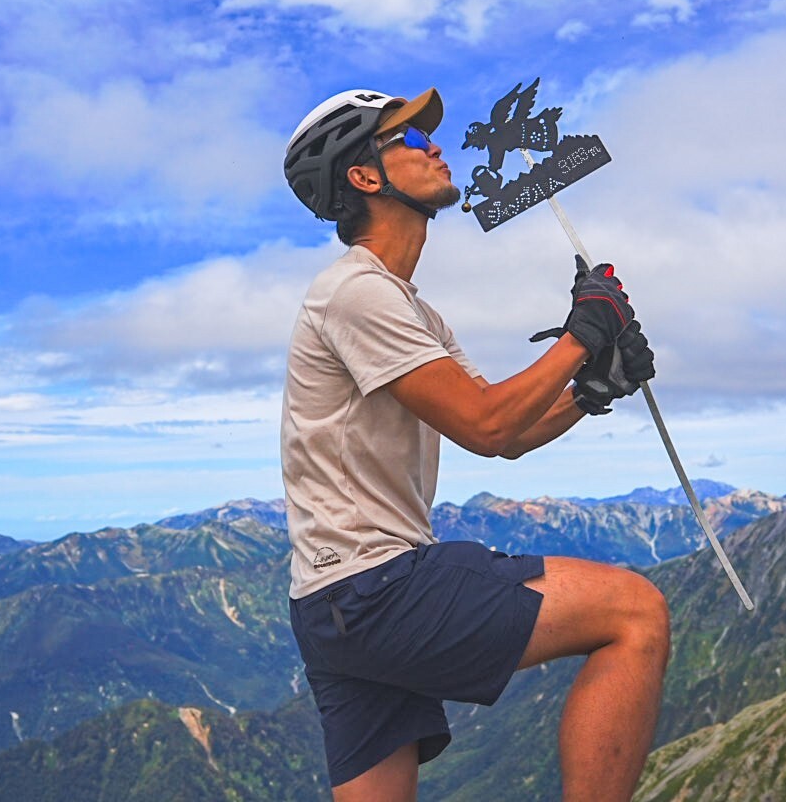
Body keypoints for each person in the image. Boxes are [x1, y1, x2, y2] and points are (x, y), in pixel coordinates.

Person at [280, 87, 669, 801]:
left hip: (331, 606)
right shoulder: (357, 292)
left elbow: (504, 437)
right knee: (635, 611)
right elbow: (486, 423)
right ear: (364, 176)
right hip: (378, 587)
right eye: (408, 139)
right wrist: (585, 335)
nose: (435, 146)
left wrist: (591, 390)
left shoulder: (406, 307)